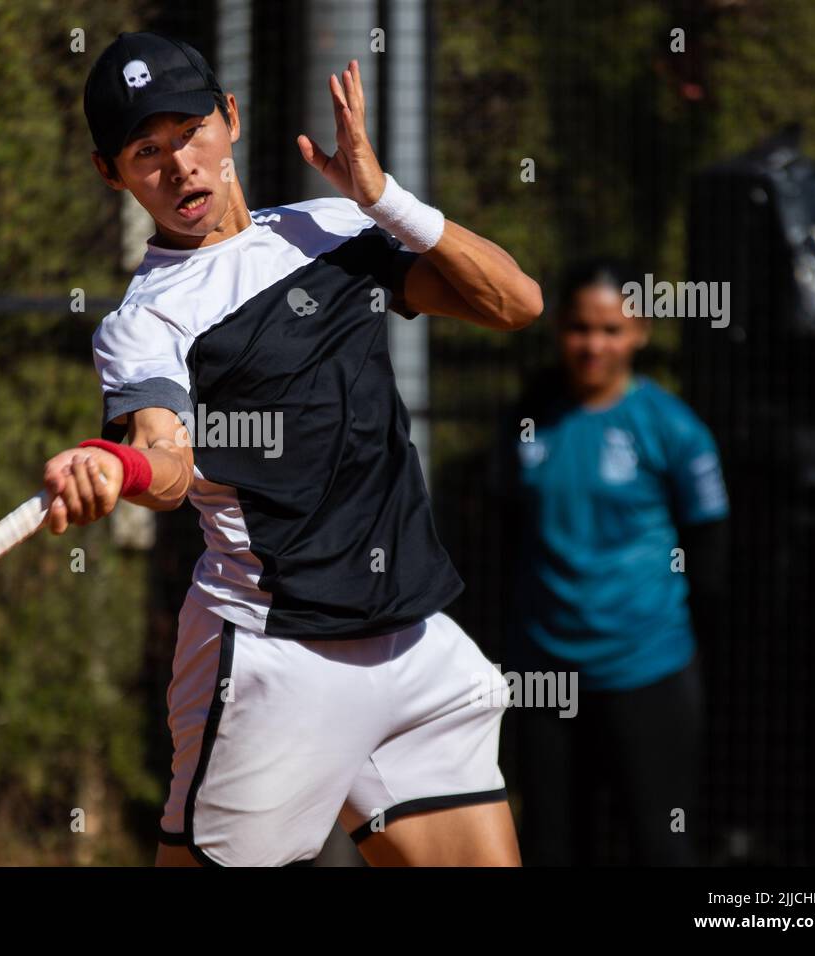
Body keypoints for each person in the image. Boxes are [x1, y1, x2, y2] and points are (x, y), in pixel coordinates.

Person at [41, 30, 542, 866]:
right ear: (112, 173)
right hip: (272, 659)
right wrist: (119, 465)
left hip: (415, 643)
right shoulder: (145, 323)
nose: (179, 166)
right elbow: (167, 462)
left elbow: (515, 303)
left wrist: (387, 199)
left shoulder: (334, 229)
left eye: (191, 130)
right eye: (145, 150)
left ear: (230, 118)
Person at [491, 259, 730, 865]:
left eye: (611, 330)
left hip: (646, 667)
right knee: (551, 839)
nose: (593, 345)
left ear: (641, 332)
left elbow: (710, 548)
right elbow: (500, 530)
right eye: (579, 328)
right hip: (545, 669)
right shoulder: (530, 417)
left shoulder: (672, 428)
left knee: (659, 841)